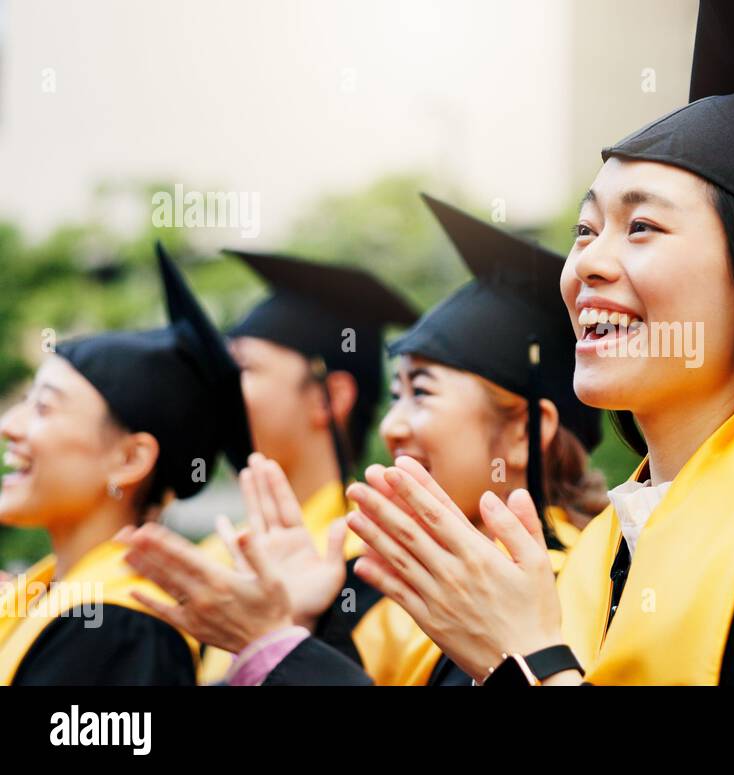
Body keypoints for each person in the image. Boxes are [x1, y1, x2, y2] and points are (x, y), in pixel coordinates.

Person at [343, 0, 734, 686]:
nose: (588, 265)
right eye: (585, 230)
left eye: (641, 227)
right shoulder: (602, 548)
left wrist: (530, 664)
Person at [123, 194, 607, 685]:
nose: (391, 426)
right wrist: (299, 624)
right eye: (396, 393)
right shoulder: (374, 580)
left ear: (524, 430)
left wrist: (278, 642)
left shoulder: (568, 594)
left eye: (421, 392)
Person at [0, 244, 251, 685]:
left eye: (43, 407)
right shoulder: (48, 601)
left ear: (129, 460)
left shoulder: (123, 625)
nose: (8, 426)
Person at [196, 250, 420, 681]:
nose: (220, 390)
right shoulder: (210, 557)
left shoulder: (382, 566)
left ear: (329, 398)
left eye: (243, 367)